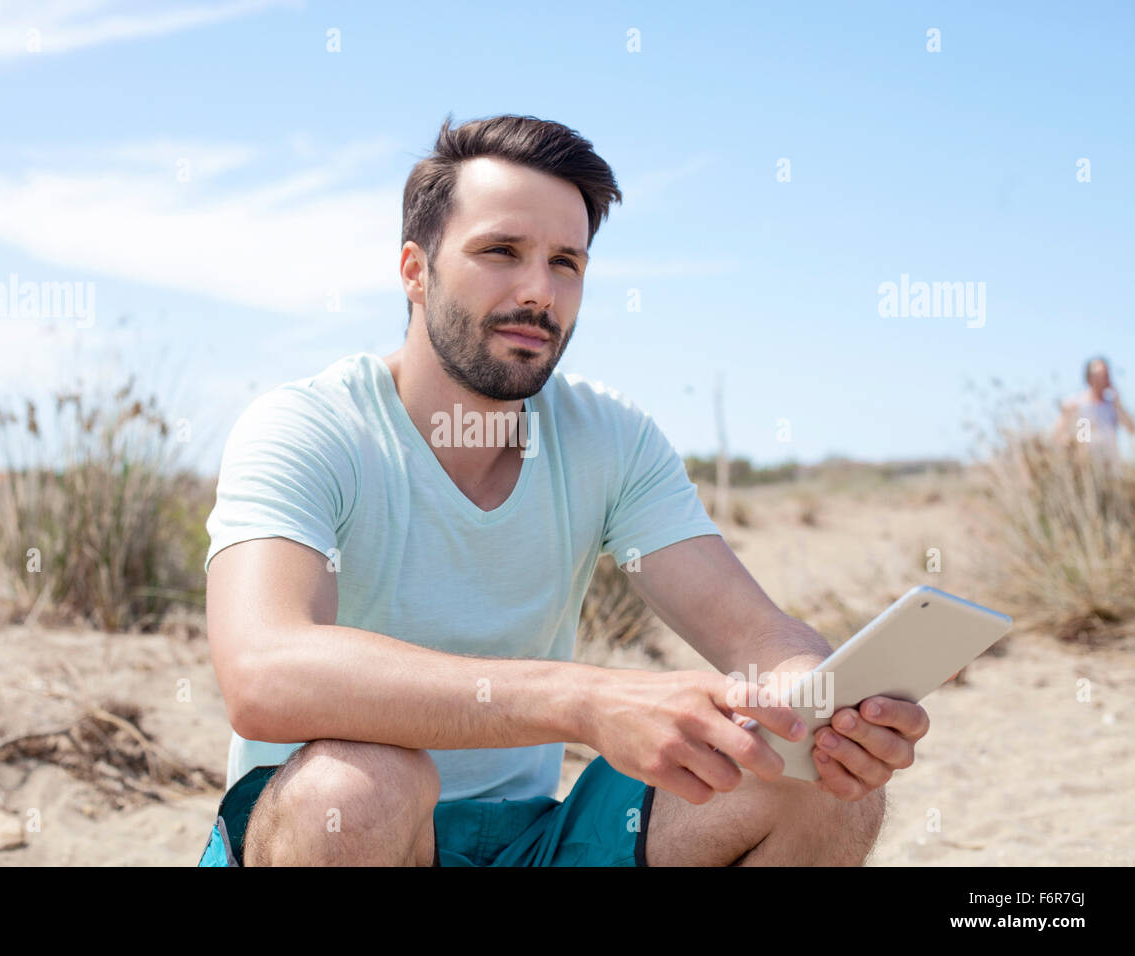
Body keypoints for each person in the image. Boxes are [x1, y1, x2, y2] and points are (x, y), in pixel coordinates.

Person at [198, 114, 927, 868]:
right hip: (322, 830)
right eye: (500, 252)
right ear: (415, 270)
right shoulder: (308, 427)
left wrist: (819, 705)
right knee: (362, 788)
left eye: (566, 262)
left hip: (525, 841)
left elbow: (760, 639)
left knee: (813, 779)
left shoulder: (608, 437)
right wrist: (582, 700)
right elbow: (263, 670)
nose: (538, 292)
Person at [1053, 356, 1134, 460]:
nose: (1105, 379)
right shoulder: (1074, 404)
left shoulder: (1112, 406)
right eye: (1101, 376)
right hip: (1085, 466)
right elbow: (1058, 435)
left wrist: (1118, 402)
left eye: (1106, 375)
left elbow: (1131, 429)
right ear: (1090, 378)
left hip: (1110, 466)